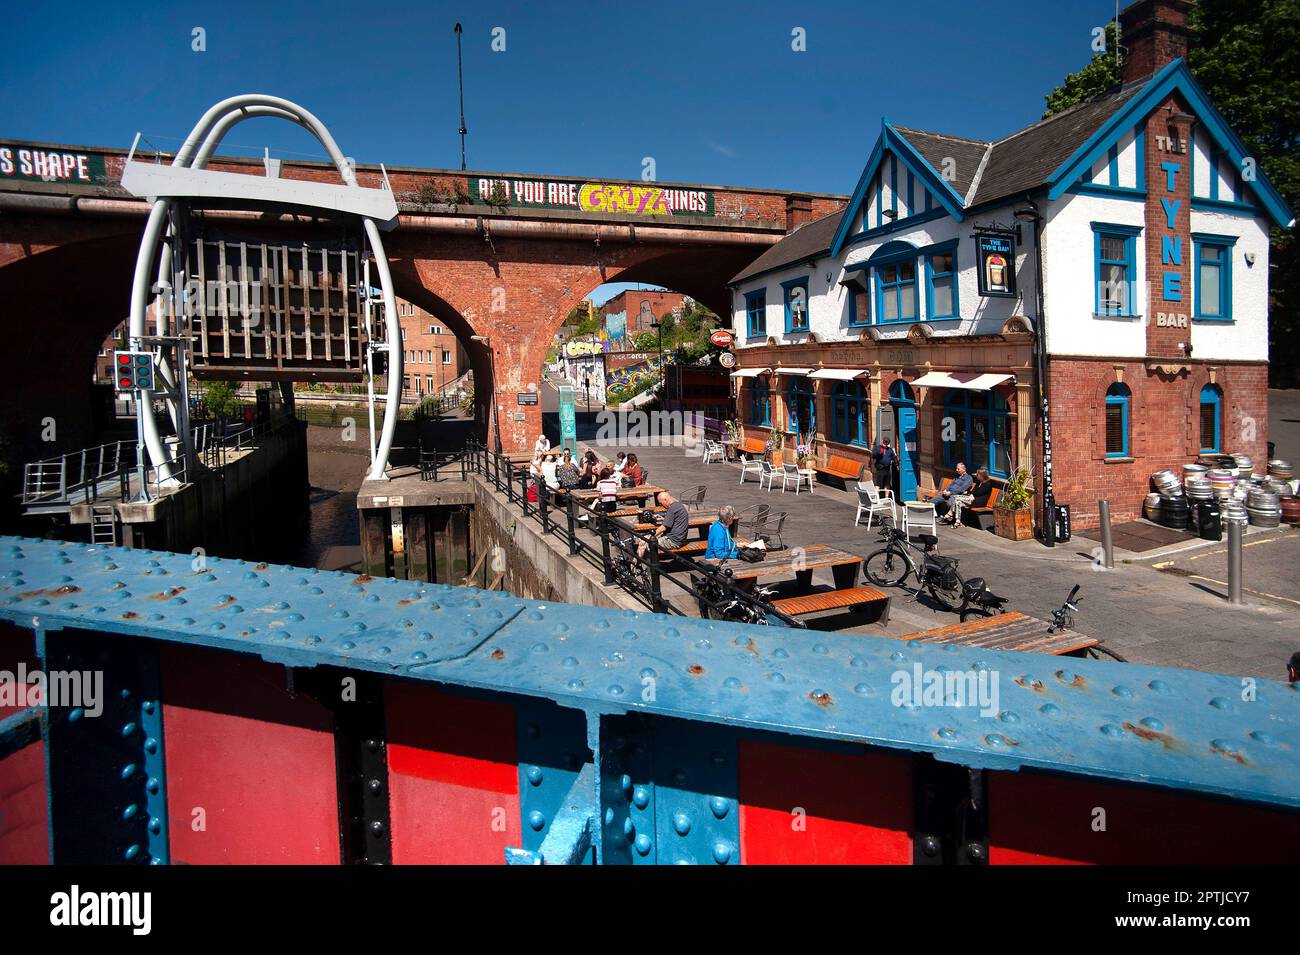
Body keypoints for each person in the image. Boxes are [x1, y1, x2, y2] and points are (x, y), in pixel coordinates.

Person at [637, 491, 689, 559]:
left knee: (643, 543)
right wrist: (664, 518)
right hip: (680, 539)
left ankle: (638, 565)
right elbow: (674, 520)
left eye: (661, 503)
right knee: (647, 540)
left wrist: (650, 536)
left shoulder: (672, 509)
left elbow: (663, 528)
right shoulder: (679, 505)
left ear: (665, 500)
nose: (661, 505)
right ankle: (648, 563)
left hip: (673, 541)